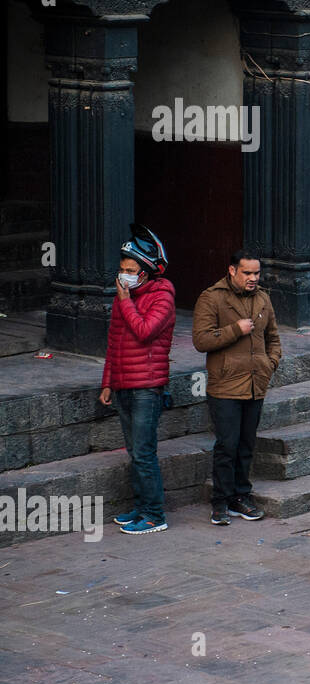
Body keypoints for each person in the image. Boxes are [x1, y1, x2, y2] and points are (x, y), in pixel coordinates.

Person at [192, 251, 281, 526]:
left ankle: (241, 496)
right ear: (232, 270)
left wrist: (271, 362)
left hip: (256, 384)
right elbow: (201, 340)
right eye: (248, 273)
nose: (254, 278)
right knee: (227, 446)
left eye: (257, 273)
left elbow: (273, 337)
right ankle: (220, 502)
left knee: (246, 445)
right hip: (225, 386)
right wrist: (235, 329)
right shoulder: (212, 297)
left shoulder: (263, 298)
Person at [99, 225, 175, 535]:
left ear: (145, 272)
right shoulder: (124, 296)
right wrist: (107, 382)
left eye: (131, 270)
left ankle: (155, 515)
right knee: (134, 452)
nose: (124, 274)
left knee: (144, 452)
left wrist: (126, 299)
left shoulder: (163, 294)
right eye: (122, 269)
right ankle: (141, 507)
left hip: (147, 387)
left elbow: (145, 332)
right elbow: (114, 340)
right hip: (123, 385)